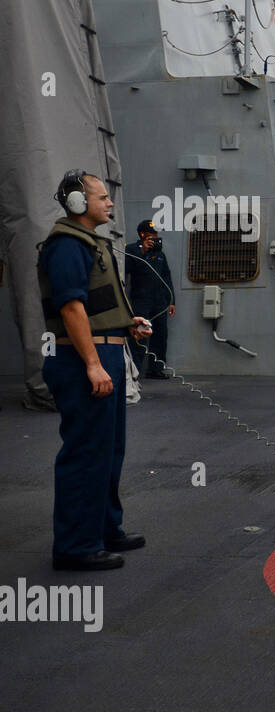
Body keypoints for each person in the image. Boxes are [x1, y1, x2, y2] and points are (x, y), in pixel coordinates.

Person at [37, 169, 153, 571]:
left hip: (105, 353)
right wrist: (91, 364)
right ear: (77, 203)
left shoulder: (88, 242)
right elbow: (70, 307)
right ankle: (75, 546)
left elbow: (94, 304)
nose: (109, 203)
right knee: (86, 452)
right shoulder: (67, 245)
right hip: (81, 359)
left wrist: (127, 324)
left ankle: (104, 529)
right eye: (102, 197)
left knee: (109, 449)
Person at [124, 219, 174, 378]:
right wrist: (143, 252)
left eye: (156, 234)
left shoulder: (160, 253)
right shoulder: (132, 250)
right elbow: (126, 269)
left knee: (161, 334)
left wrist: (171, 301)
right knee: (140, 335)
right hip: (141, 299)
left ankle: (156, 369)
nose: (155, 237)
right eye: (152, 234)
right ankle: (134, 370)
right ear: (143, 235)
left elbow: (167, 277)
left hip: (159, 300)